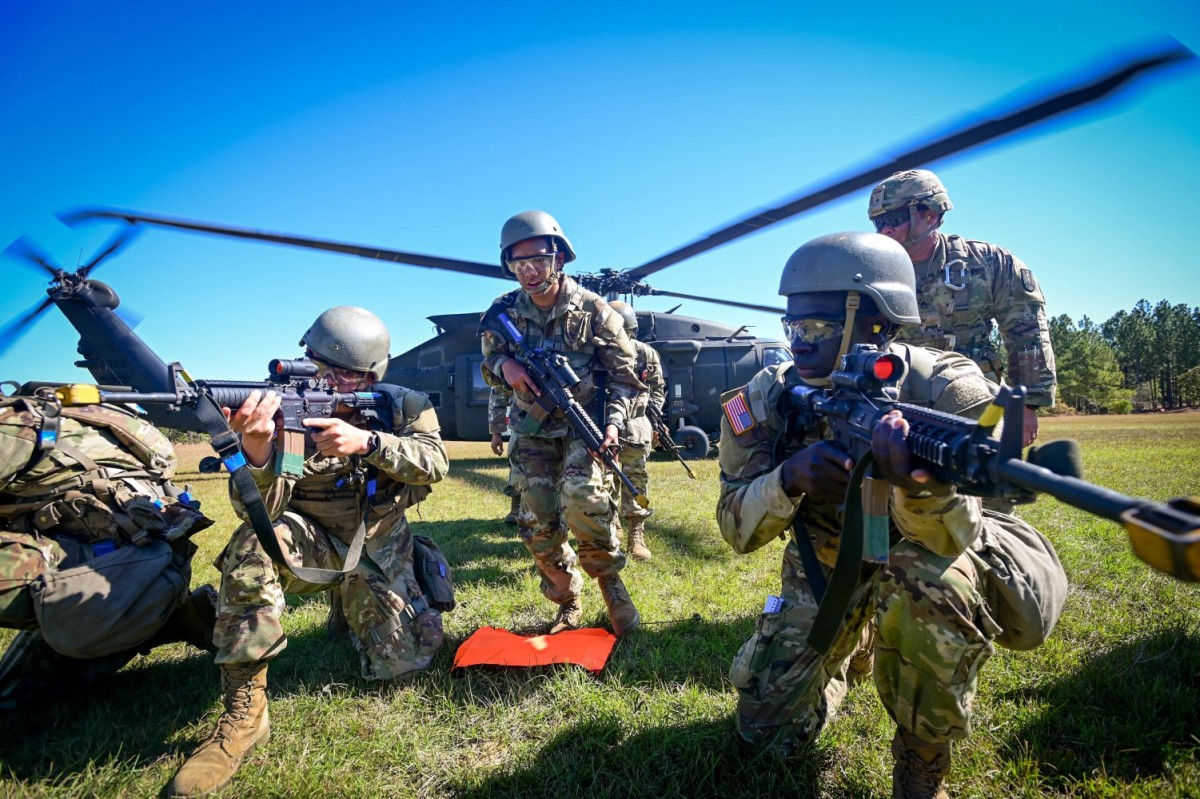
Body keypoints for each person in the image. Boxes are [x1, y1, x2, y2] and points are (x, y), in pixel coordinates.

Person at [717, 232, 1067, 798]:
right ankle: (843, 660)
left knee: (929, 584)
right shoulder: (764, 398)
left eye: (817, 329)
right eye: (793, 329)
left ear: (874, 325)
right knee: (764, 732)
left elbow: (961, 535)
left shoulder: (947, 391)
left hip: (932, 549)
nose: (798, 346)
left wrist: (918, 490)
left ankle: (922, 762)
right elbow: (734, 527)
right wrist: (789, 478)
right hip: (832, 556)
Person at [166, 306, 449, 798]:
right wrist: (257, 453)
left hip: (379, 543)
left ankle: (357, 603)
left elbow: (435, 463)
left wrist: (368, 442)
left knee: (404, 667)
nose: (326, 380)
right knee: (255, 542)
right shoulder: (280, 410)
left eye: (343, 374)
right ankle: (245, 716)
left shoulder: (404, 405)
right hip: (311, 538)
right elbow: (258, 510)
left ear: (370, 376)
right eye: (317, 364)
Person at [480, 210, 645, 636]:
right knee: (537, 518)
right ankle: (566, 600)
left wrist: (612, 425)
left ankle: (610, 585)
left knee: (583, 497)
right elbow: (488, 362)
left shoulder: (595, 312)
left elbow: (626, 382)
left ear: (559, 258)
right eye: (519, 264)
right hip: (531, 431)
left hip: (581, 423)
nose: (529, 272)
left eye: (537, 260)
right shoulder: (502, 312)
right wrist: (507, 367)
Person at [0, 386, 216, 711]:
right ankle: (176, 617)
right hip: (148, 563)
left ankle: (149, 618)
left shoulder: (12, 425)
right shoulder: (71, 411)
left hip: (116, 573)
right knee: (11, 696)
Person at [868, 169, 1056, 446]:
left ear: (930, 214)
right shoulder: (870, 270)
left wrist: (1026, 405)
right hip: (897, 404)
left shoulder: (989, 263)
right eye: (879, 221)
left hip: (973, 400)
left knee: (982, 479)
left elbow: (1026, 332)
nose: (885, 230)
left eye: (894, 218)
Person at [605, 300, 665, 562]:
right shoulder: (597, 352)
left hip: (635, 425)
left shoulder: (647, 354)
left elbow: (657, 387)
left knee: (635, 479)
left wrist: (653, 416)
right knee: (604, 481)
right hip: (603, 425)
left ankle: (636, 535)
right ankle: (611, 528)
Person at [488, 384, 521, 525]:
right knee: (518, 462)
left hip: (565, 423)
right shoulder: (514, 363)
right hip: (525, 424)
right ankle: (517, 508)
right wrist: (496, 433)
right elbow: (498, 396)